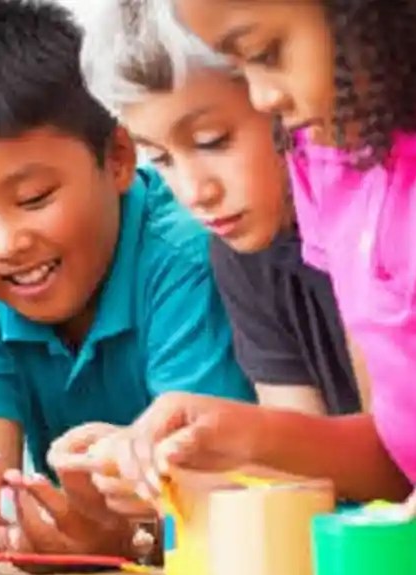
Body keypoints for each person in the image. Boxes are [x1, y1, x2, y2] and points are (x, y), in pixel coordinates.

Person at [106, 0, 416, 558]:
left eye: (267, 54)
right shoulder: (325, 143)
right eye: (241, 65)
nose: (263, 97)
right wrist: (239, 434)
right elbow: (402, 463)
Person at [0, 0, 253, 557]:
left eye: (34, 199)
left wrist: (123, 538)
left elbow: (214, 496)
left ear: (119, 160)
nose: (5, 243)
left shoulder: (187, 253)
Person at [81, 0, 359, 418]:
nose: (195, 192)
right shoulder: (239, 254)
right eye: (160, 159)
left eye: (211, 141)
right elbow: (300, 440)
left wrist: (232, 432)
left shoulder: (370, 223)